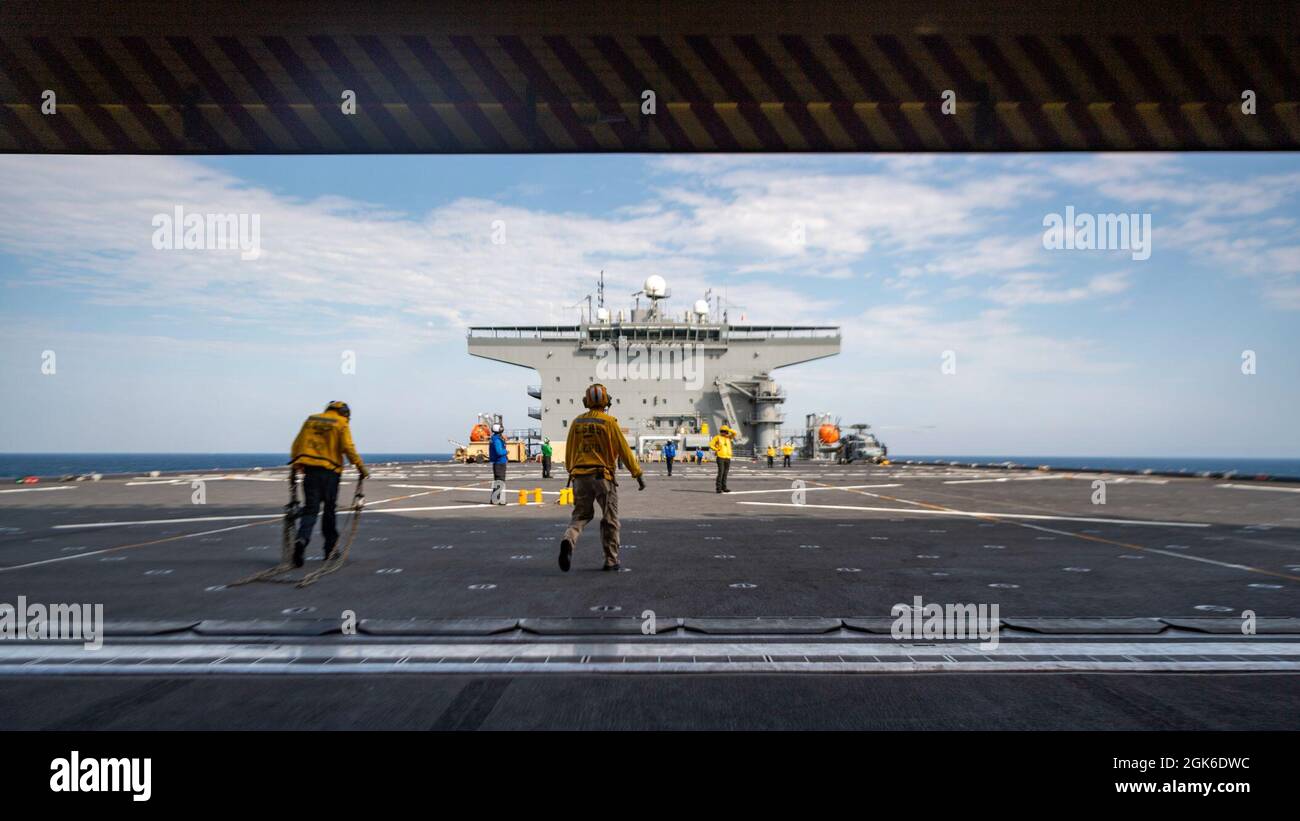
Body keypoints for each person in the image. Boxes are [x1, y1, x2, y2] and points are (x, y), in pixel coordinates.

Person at [559, 383, 644, 572]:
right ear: (606, 401)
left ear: (585, 402)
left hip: (579, 476)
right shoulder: (609, 422)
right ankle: (611, 561)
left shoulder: (576, 422)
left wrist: (571, 471)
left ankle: (568, 539)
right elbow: (624, 450)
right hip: (602, 477)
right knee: (609, 519)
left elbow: (569, 450)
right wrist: (637, 474)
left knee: (580, 515)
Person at [289, 401, 368, 567]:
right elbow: (348, 447)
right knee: (329, 511)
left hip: (310, 472)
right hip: (330, 473)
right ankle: (330, 550)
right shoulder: (341, 422)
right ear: (344, 412)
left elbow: (297, 443)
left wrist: (297, 464)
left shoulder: (311, 419)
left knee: (311, 509)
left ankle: (302, 540)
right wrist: (361, 468)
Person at [710, 424, 736, 493]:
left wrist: (728, 429)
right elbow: (711, 444)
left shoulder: (728, 437)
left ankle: (724, 487)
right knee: (721, 472)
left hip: (728, 457)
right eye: (723, 431)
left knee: (725, 473)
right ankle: (718, 488)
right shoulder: (717, 437)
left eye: (726, 431)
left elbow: (735, 433)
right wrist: (716, 449)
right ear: (721, 431)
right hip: (720, 457)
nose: (725, 433)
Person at [489, 422, 508, 504]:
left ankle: (494, 499)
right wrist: (506, 451)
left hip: (498, 463)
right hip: (500, 463)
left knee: (498, 481)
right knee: (500, 481)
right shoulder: (497, 440)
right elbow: (499, 452)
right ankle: (495, 499)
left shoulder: (494, 438)